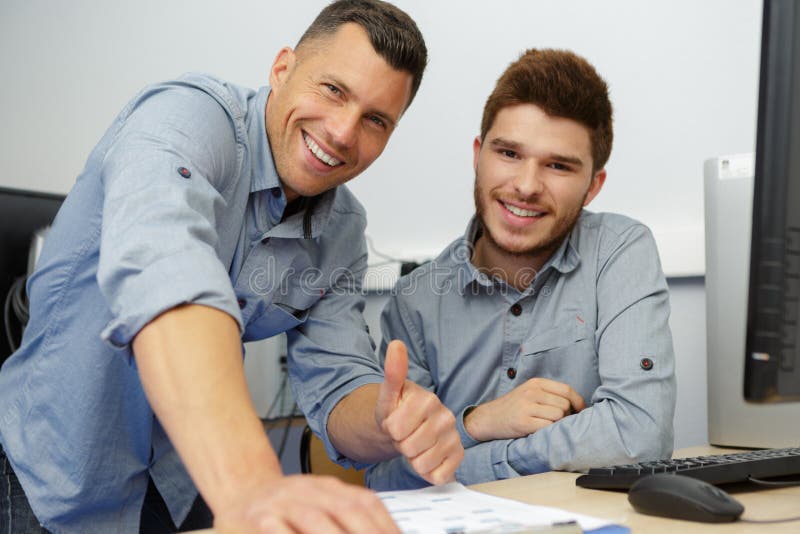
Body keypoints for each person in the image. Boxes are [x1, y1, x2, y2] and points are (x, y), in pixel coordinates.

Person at [0, 1, 464, 532]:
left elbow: (339, 388)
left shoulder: (342, 231)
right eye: (333, 90)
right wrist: (252, 488)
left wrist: (388, 422)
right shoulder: (186, 117)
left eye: (376, 119)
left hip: (173, 481)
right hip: (49, 469)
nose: (342, 131)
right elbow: (169, 276)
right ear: (282, 68)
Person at [366, 48, 676, 490]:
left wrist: (479, 451)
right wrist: (480, 422)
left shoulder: (620, 251)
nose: (527, 186)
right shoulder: (415, 301)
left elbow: (639, 435)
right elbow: (387, 480)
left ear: (594, 186)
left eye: (558, 165)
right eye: (509, 153)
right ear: (478, 156)